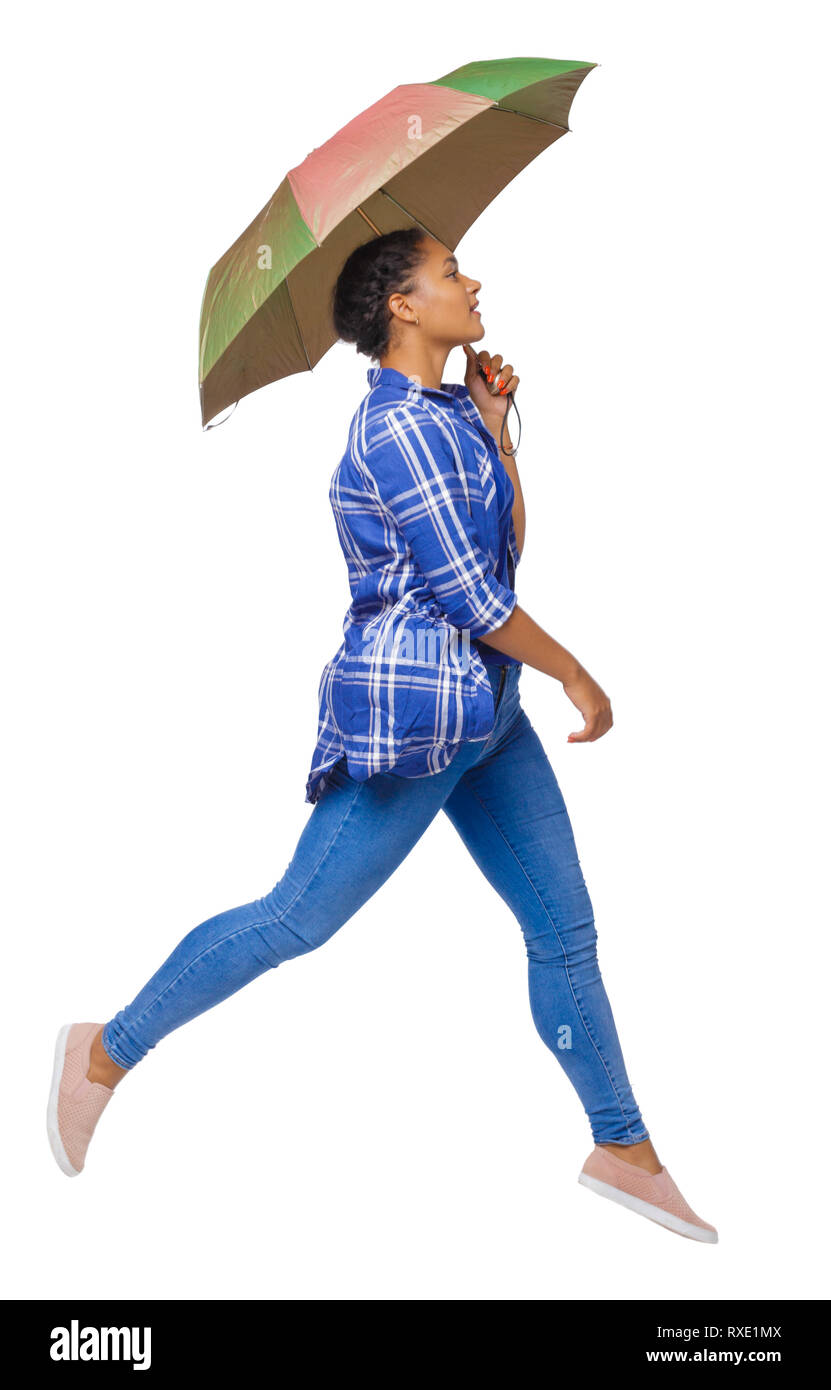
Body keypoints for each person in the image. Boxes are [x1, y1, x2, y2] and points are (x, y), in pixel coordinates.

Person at [47, 228, 717, 1243]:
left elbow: (505, 553)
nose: (473, 280)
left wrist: (495, 428)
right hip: (416, 719)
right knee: (296, 918)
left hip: (484, 716)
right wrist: (576, 671)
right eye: (450, 273)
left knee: (564, 929)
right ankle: (105, 1049)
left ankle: (622, 1145)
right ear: (402, 305)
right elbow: (474, 596)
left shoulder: (449, 415)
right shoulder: (396, 431)